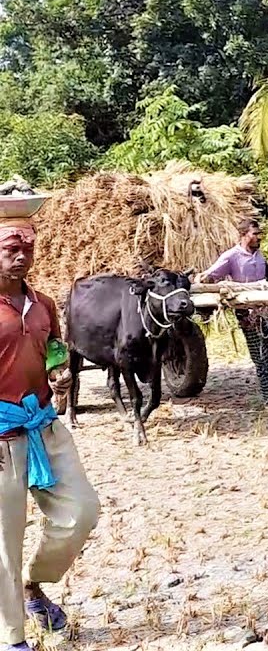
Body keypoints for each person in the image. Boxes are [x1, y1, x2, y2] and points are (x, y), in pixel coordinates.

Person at [0, 216, 101, 650]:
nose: (22, 256)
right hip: (1, 437)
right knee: (4, 542)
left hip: (43, 424)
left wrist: (58, 373)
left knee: (81, 511)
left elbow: (55, 349)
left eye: (29, 250)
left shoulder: (41, 304)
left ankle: (33, 584)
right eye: (10, 249)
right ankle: (12, 638)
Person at [198, 219, 268, 406]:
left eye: (259, 234)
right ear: (244, 235)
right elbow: (212, 274)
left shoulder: (259, 256)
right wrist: (202, 278)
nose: (258, 237)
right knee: (260, 359)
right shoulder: (231, 257)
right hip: (247, 314)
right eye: (255, 234)